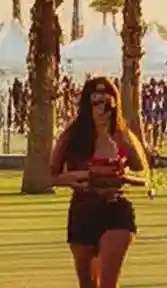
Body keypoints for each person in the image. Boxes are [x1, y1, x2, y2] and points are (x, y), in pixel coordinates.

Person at [50, 77, 150, 288]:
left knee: (108, 283)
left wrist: (124, 176)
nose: (101, 108)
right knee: (87, 283)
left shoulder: (123, 136)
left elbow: (144, 175)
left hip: (116, 209)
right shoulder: (72, 135)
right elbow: (51, 175)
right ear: (87, 104)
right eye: (95, 102)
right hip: (83, 209)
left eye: (107, 102)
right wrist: (80, 177)